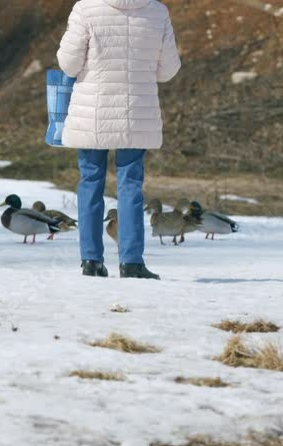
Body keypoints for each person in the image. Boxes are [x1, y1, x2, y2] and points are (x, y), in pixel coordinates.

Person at [57, 0, 181, 280]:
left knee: (90, 181)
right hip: (136, 111)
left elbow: (68, 64)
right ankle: (132, 262)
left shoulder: (85, 9)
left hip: (92, 111)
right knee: (131, 185)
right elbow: (168, 70)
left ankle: (90, 261)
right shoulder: (157, 11)